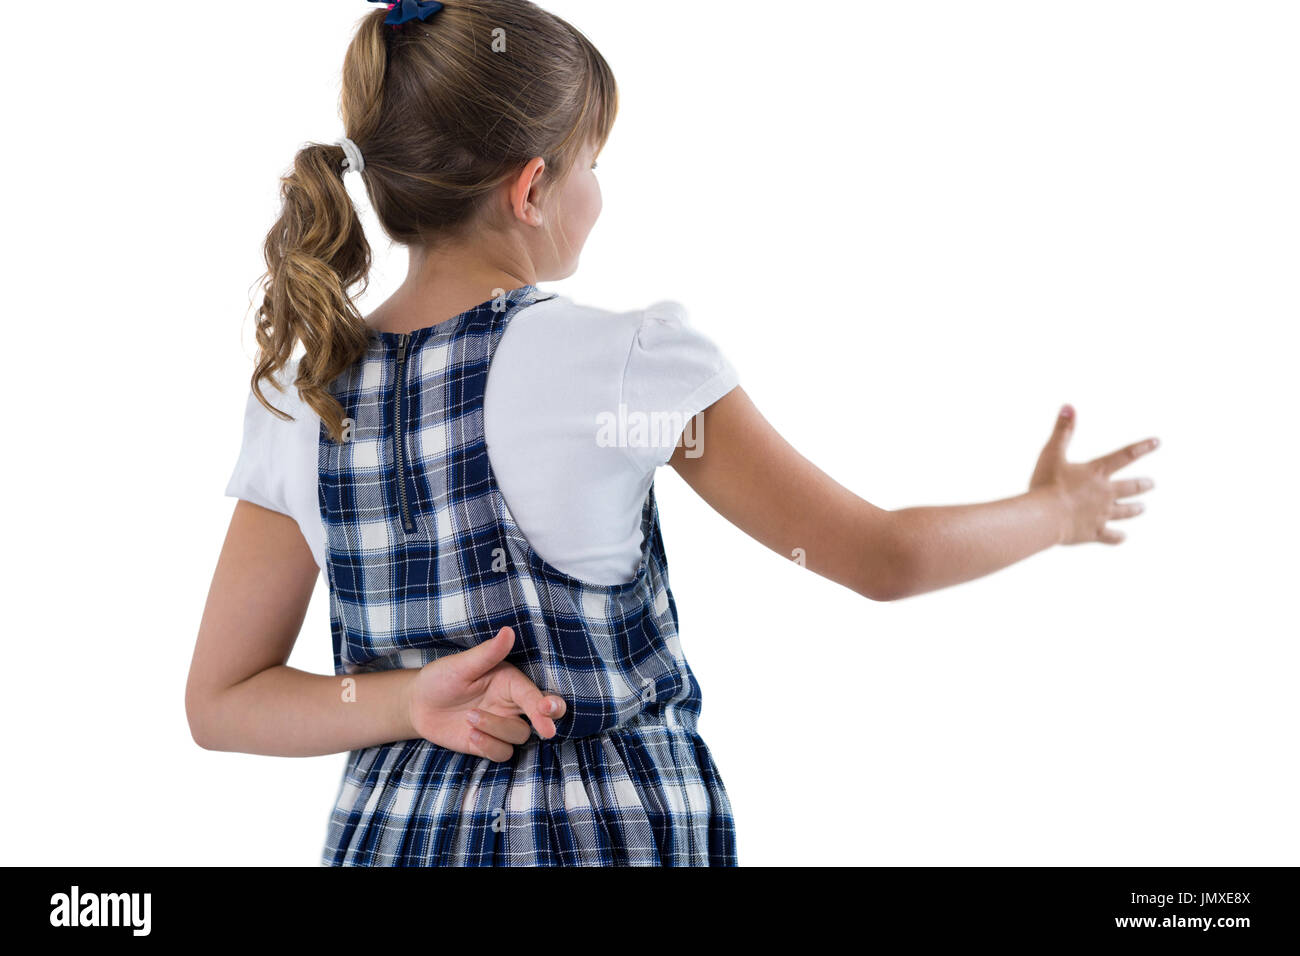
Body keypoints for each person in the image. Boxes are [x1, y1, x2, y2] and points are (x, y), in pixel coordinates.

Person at [187, 0, 1159, 867]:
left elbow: (221, 697)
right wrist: (1054, 510)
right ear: (530, 190)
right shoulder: (624, 358)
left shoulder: (299, 391)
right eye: (593, 164)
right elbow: (881, 556)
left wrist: (404, 701)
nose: (598, 194)